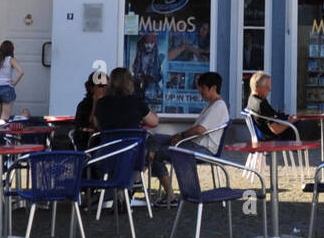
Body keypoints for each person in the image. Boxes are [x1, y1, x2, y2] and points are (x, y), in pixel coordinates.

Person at [151, 71, 229, 199]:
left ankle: (170, 196)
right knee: (154, 138)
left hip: (203, 149)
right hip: (194, 143)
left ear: (213, 88)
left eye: (202, 87)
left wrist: (181, 136)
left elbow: (199, 130)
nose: (199, 91)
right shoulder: (211, 105)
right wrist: (179, 136)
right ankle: (139, 175)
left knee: (158, 154)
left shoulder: (218, 106)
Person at [94, 66, 160, 134]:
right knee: (163, 139)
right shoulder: (136, 102)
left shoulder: (101, 103)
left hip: (109, 143)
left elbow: (96, 124)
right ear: (130, 82)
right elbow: (154, 122)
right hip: (132, 144)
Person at [245, 71, 294, 140]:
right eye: (267, 87)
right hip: (275, 137)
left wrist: (286, 117)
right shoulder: (260, 104)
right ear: (257, 88)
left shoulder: (252, 100)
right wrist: (290, 122)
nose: (269, 90)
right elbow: (275, 129)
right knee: (307, 126)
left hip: (268, 133)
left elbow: (272, 114)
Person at [72, 70, 110, 149]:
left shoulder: (110, 104)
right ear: (91, 88)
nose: (104, 89)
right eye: (101, 86)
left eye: (107, 86)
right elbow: (89, 124)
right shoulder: (84, 105)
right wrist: (95, 103)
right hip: (87, 144)